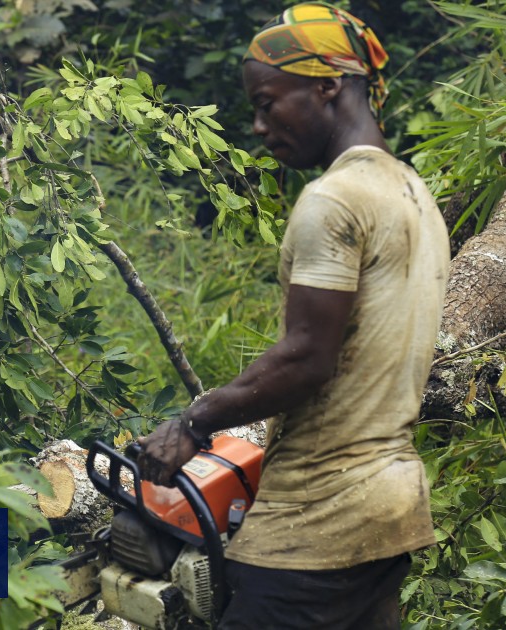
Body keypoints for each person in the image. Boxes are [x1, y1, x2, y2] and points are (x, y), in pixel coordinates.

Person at [135, 4, 451, 628]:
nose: (258, 125)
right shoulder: (413, 193)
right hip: (391, 507)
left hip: (318, 520)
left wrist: (193, 422)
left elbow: (307, 357)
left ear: (327, 85)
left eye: (267, 103)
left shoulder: (335, 198)